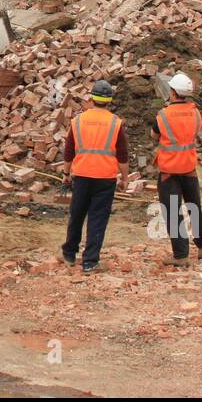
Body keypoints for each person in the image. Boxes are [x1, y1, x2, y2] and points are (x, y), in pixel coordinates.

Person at [60, 79, 128, 273]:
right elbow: (122, 155)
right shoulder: (115, 123)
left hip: (81, 175)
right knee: (98, 218)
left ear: (91, 98)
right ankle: (90, 261)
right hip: (105, 178)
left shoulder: (78, 121)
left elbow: (68, 151)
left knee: (77, 214)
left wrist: (66, 174)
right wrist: (124, 178)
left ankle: (69, 254)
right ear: (109, 100)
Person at [153, 71, 202, 267]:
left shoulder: (163, 115)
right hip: (189, 168)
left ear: (172, 92)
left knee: (172, 213)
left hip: (169, 172)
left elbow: (154, 134)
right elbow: (195, 131)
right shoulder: (196, 113)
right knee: (194, 207)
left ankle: (181, 255)